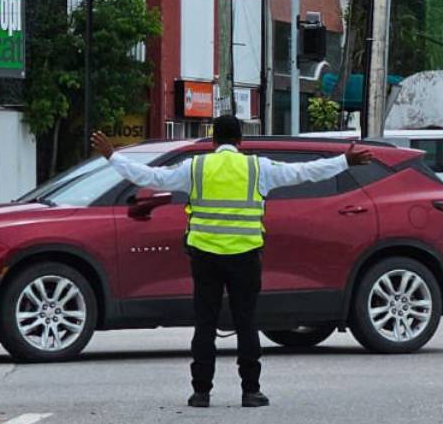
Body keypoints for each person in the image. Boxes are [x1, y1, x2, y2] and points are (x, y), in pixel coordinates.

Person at [91, 114, 374, 408]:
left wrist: (113, 157)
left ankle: (201, 392)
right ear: (240, 141)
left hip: (205, 256)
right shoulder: (256, 167)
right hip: (245, 255)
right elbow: (304, 172)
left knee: (205, 324)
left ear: (213, 142)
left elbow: (151, 177)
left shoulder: (196, 167)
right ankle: (250, 391)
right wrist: (344, 161)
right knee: (246, 322)